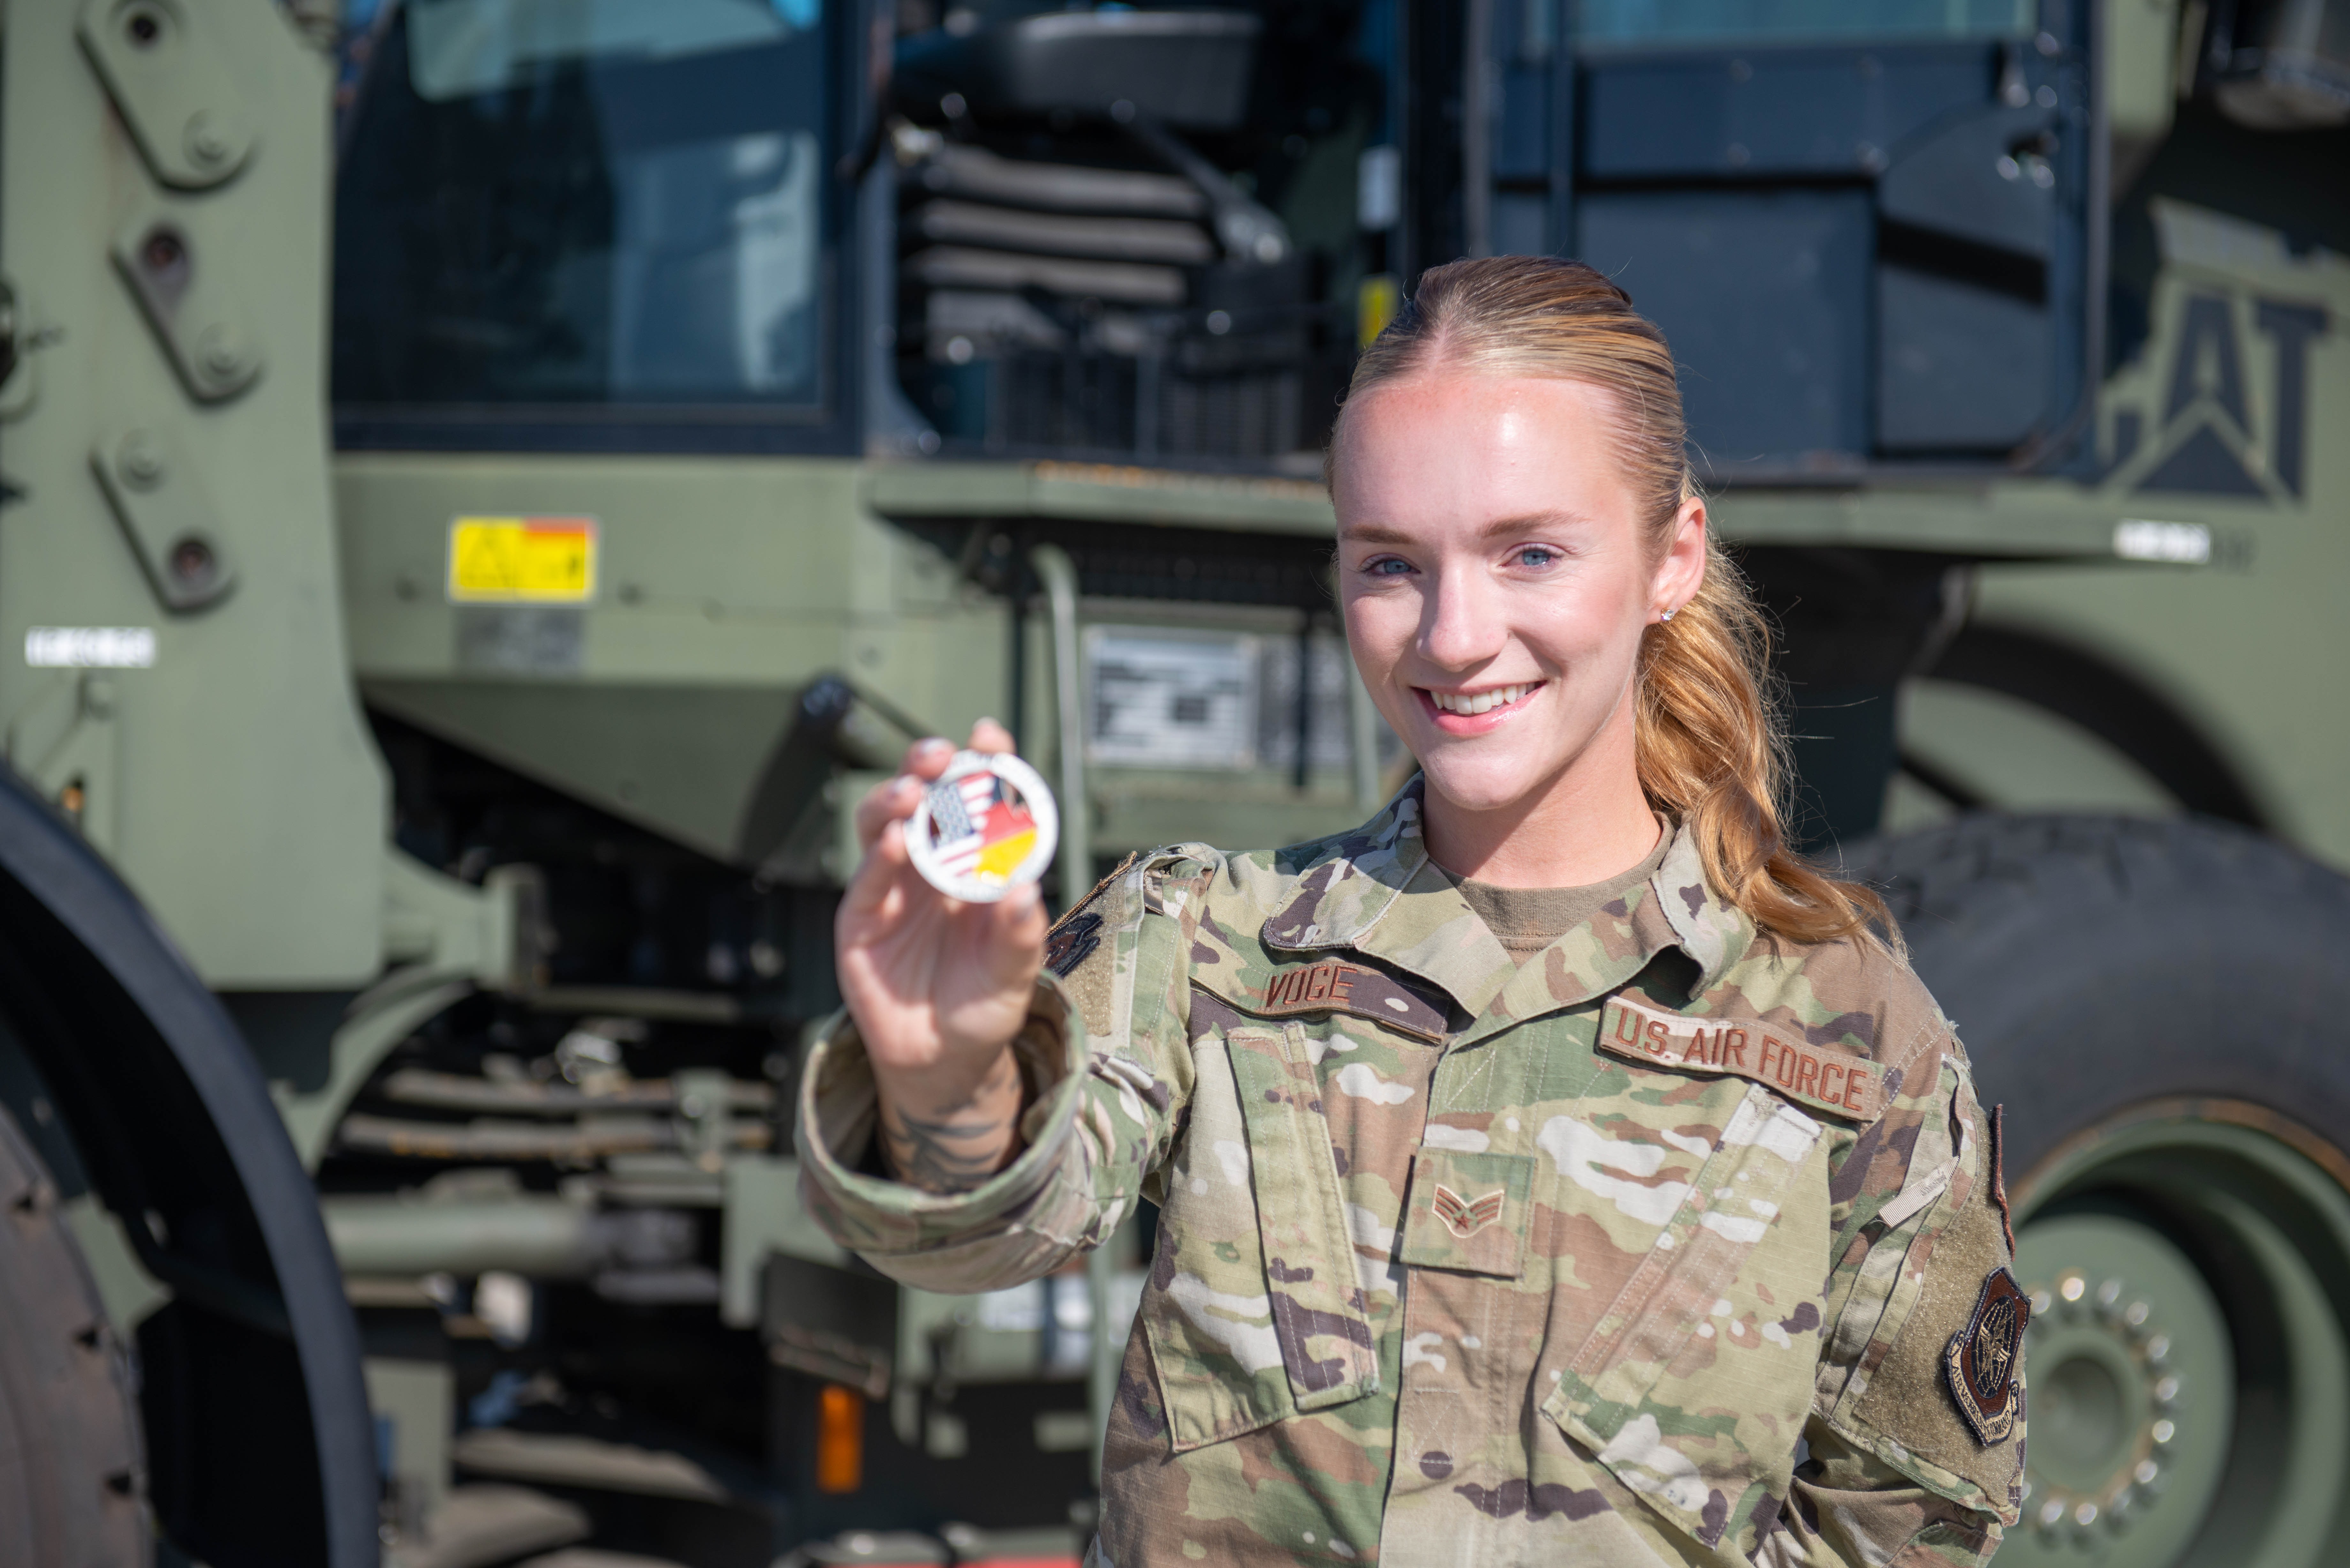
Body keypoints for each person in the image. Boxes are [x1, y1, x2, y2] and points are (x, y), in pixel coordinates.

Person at [800, 256, 2026, 1566]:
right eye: (1392, 564)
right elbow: (988, 1233)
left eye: (1530, 554)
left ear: (1672, 559)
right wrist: (947, 1079)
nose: (1452, 634)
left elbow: (1911, 1512)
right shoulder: (1209, 942)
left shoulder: (1847, 1027)